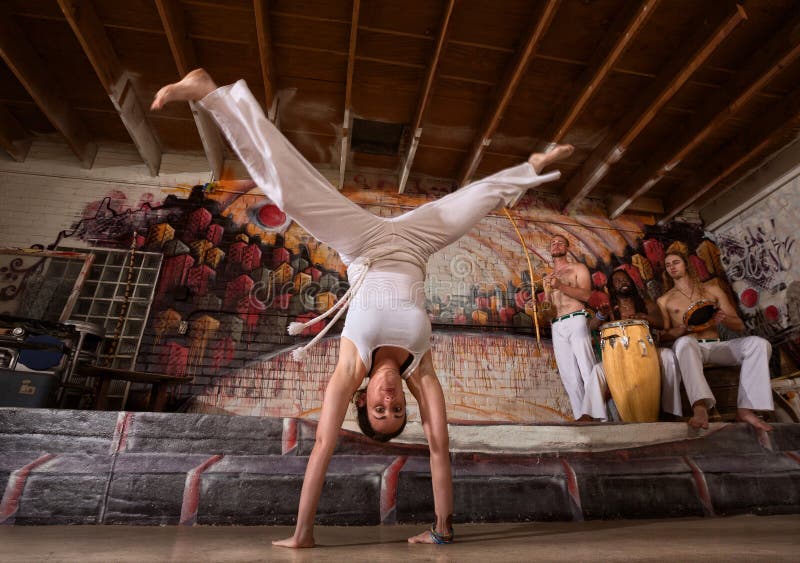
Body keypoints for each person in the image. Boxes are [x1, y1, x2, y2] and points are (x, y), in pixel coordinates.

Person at [151, 69, 574, 547]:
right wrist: (442, 530)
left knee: (287, 192)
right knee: (475, 201)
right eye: (396, 408)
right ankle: (532, 166)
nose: (389, 397)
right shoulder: (421, 371)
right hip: (416, 244)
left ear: (362, 398)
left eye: (378, 407)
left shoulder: (351, 365)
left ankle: (211, 94)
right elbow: (439, 449)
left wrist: (303, 534)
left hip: (362, 244)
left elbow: (323, 447)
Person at [657, 250, 774, 431]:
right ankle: (700, 407)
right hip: (691, 348)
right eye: (668, 265)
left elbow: (738, 325)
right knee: (684, 343)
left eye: (676, 262)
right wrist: (682, 329)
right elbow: (665, 336)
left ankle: (746, 409)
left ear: (686, 264)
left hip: (716, 346)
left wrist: (722, 319)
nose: (671, 267)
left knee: (759, 344)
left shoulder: (712, 289)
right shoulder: (664, 300)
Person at [589, 268, 683, 419]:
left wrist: (644, 317)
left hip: (647, 353)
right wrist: (601, 315)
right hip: (619, 358)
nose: (623, 282)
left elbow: (661, 323)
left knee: (668, 356)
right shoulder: (611, 309)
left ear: (631, 283)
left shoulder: (646, 304)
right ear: (612, 288)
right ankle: (591, 415)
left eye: (625, 279)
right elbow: (592, 326)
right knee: (597, 370)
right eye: (618, 281)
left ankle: (671, 410)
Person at [543, 235, 605, 421]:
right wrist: (546, 293)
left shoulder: (578, 268)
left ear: (567, 248)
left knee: (587, 368)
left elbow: (587, 296)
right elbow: (548, 312)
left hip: (576, 318)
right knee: (569, 376)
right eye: (553, 243)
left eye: (560, 242)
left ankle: (599, 416)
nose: (556, 245)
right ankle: (581, 417)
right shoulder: (548, 277)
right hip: (556, 324)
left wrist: (560, 285)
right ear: (550, 249)